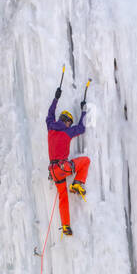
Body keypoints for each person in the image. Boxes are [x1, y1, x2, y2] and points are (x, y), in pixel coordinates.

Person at [46, 85, 89, 237]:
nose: (70, 125)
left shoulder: (50, 127)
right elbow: (82, 128)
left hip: (54, 172)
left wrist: (56, 98)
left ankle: (65, 226)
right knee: (85, 161)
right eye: (69, 122)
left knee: (63, 197)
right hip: (62, 168)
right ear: (67, 121)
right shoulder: (67, 131)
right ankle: (77, 183)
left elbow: (50, 114)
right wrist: (83, 111)